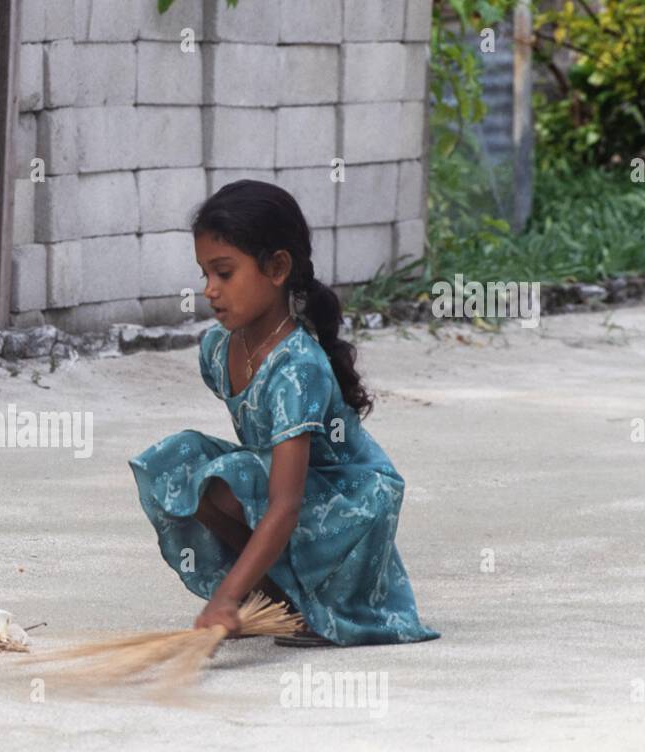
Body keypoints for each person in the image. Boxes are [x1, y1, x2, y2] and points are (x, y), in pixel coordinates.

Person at [127, 180, 440, 648]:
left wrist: (225, 596)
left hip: (347, 508)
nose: (209, 290)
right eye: (204, 274)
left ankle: (301, 602)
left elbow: (286, 503)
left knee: (233, 474)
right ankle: (277, 601)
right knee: (177, 459)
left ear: (276, 268)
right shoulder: (219, 348)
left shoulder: (298, 368)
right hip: (289, 492)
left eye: (224, 273)